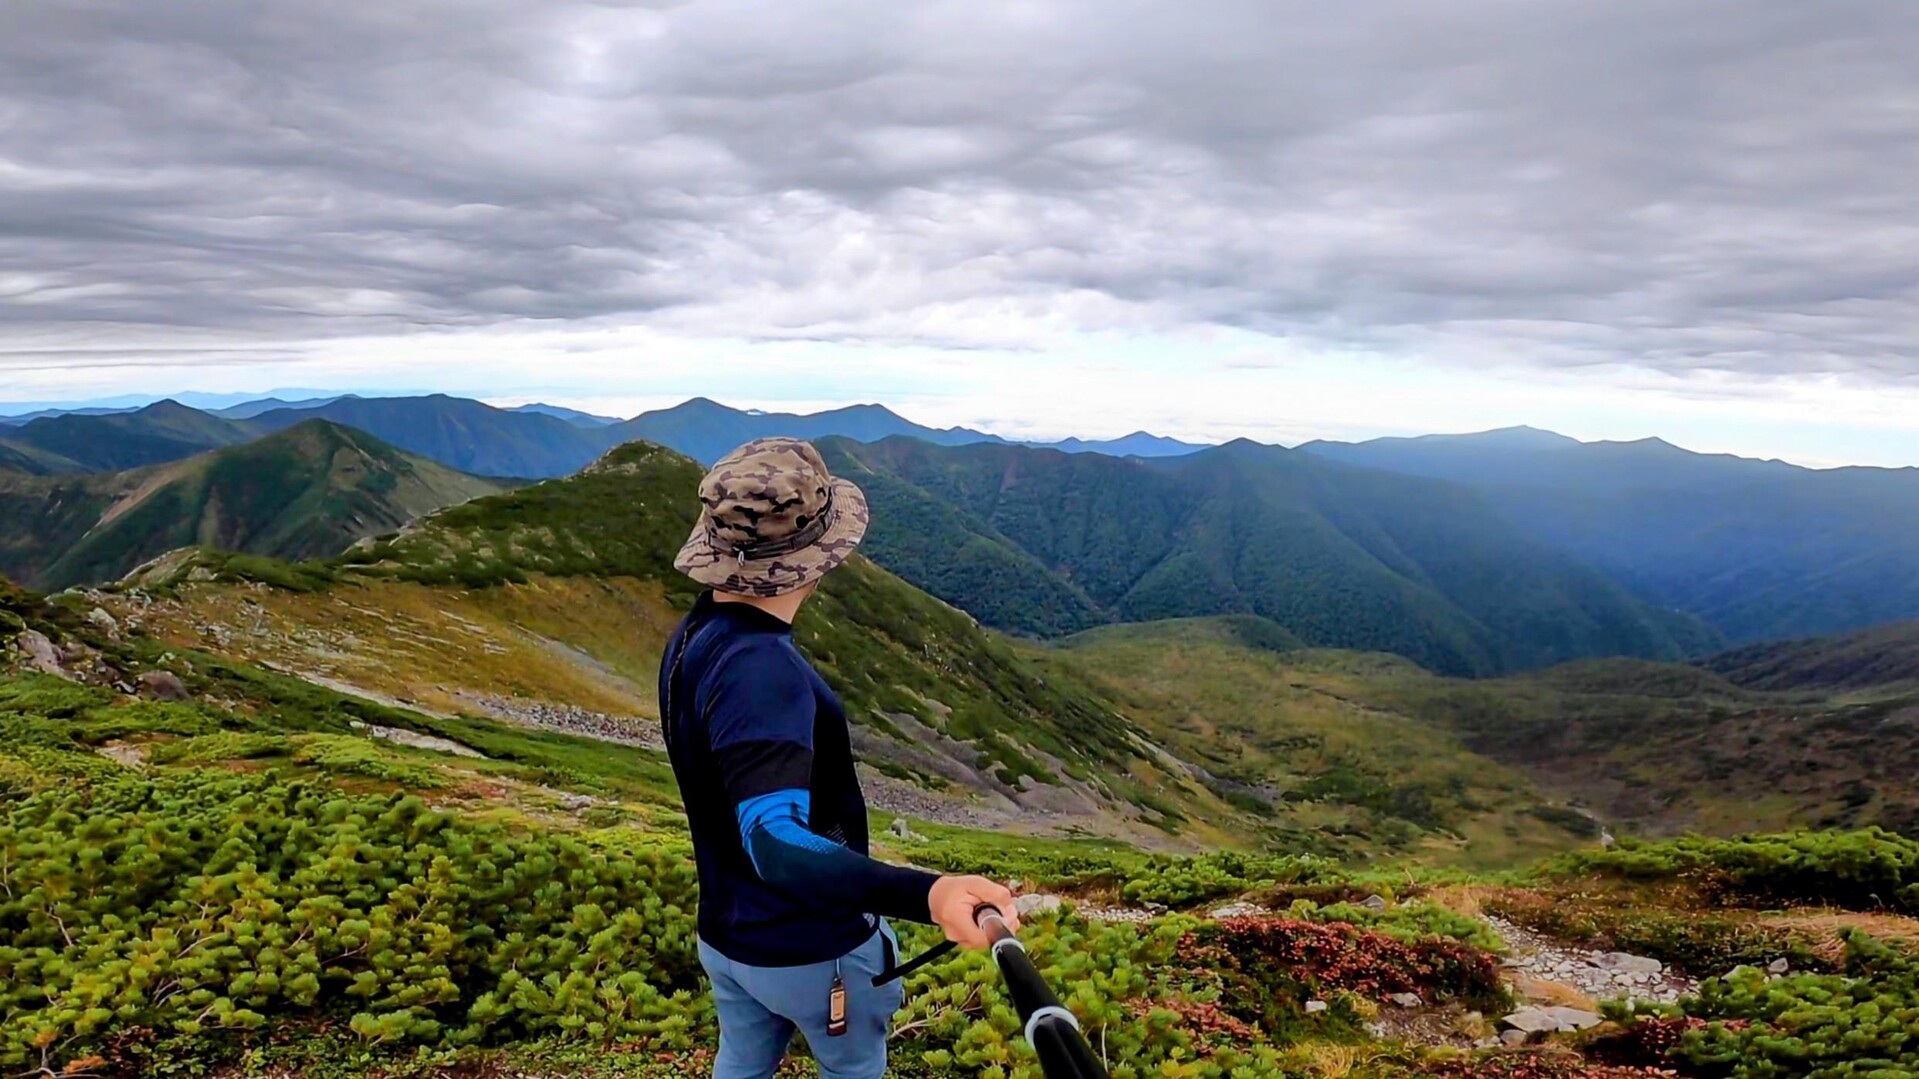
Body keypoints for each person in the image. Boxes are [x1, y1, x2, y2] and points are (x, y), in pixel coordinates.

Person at [661, 436, 1021, 1079]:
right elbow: (773, 841)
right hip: (814, 952)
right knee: (853, 1068)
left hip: (725, 934)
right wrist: (930, 893)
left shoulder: (696, 633)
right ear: (818, 557)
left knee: (741, 1062)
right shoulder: (764, 670)